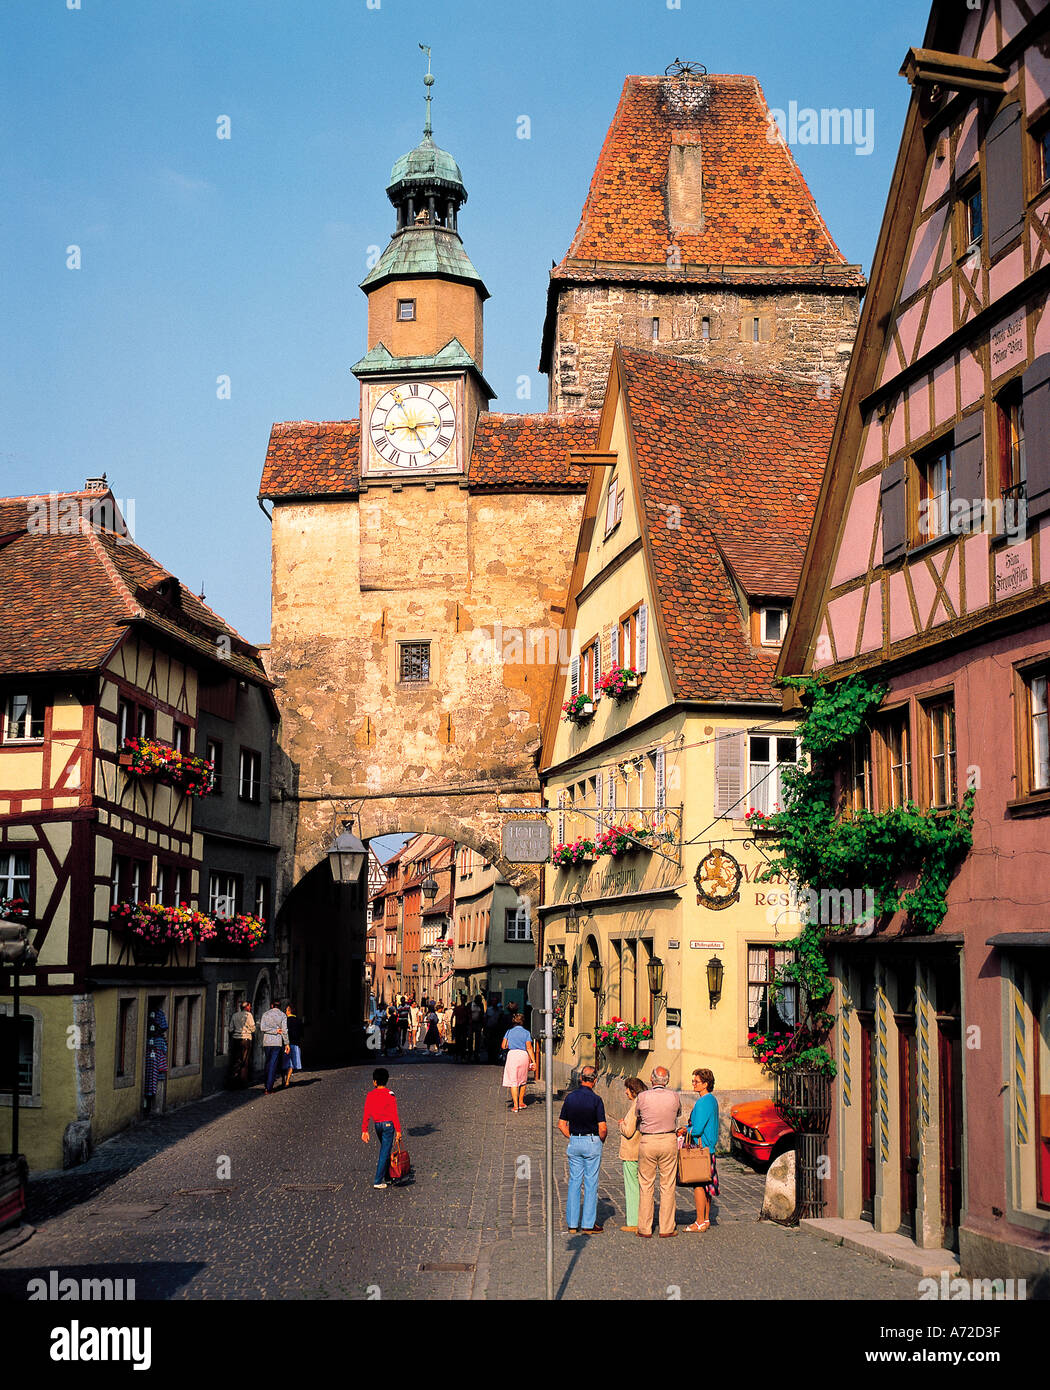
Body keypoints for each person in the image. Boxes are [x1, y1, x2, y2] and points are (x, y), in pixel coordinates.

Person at [557, 1065, 607, 1234]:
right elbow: (602, 1128)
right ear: (595, 1080)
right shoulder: (596, 1100)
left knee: (574, 1182)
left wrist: (571, 1137)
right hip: (592, 1141)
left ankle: (572, 1224)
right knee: (591, 1183)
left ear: (580, 1078)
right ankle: (587, 1224)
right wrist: (601, 1140)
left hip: (575, 1141)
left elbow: (561, 1124)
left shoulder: (570, 1098)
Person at [634, 1065, 682, 1237]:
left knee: (646, 1185)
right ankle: (667, 1228)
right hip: (668, 1139)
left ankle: (645, 1228)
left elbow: (637, 1114)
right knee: (668, 1185)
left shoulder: (642, 1096)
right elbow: (678, 1113)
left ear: (652, 1079)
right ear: (667, 1080)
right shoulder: (674, 1096)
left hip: (648, 1140)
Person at [679, 1067, 720, 1232]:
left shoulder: (703, 1102)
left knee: (698, 1184)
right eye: (693, 1081)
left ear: (705, 1084)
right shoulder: (712, 1100)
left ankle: (699, 1221)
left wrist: (684, 1130)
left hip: (701, 1148)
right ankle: (706, 1219)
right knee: (706, 1184)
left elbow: (696, 1129)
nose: (693, 1084)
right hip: (709, 1148)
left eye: (696, 1081)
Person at [361, 1066, 402, 1189]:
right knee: (385, 1152)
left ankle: (388, 1177)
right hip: (388, 1125)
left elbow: (366, 1113)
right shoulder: (390, 1094)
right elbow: (394, 1113)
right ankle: (378, 1180)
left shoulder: (370, 1095)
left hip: (377, 1125)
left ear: (375, 1081)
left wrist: (365, 1130)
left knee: (386, 1149)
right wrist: (399, 1130)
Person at [617, 1076, 648, 1233]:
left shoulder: (635, 1106)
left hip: (631, 1151)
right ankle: (643, 1218)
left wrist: (622, 1124)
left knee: (632, 1187)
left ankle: (634, 1221)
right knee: (644, 1186)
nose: (625, 1092)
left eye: (627, 1089)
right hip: (642, 1150)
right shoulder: (645, 1103)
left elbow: (629, 1131)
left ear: (633, 1090)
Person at [501, 1011, 535, 1112]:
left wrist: (510, 1045)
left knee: (513, 1081)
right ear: (523, 1022)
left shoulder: (509, 1032)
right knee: (523, 1080)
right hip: (523, 1055)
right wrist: (534, 1061)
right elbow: (529, 1047)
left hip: (512, 1055)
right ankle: (521, 1102)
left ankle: (515, 1106)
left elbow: (503, 1046)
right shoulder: (526, 1033)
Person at [258, 998, 290, 1095]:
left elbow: (262, 1028)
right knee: (273, 1064)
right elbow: (284, 1031)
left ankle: (266, 1084)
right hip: (277, 1042)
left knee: (268, 1063)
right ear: (280, 1006)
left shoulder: (265, 1014)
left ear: (272, 1005)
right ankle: (269, 1087)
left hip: (267, 1042)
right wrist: (287, 1043)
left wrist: (272, 1031)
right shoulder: (283, 1015)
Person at [226, 999, 254, 1088]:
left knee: (236, 1060)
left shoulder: (235, 1015)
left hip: (236, 1039)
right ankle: (242, 1082)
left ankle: (233, 1081)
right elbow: (253, 1029)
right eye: (249, 1006)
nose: (250, 1007)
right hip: (245, 1039)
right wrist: (249, 1030)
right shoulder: (248, 1015)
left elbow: (230, 1029)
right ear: (246, 1007)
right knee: (245, 1061)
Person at [281, 1004, 304, 1087]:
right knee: (291, 1064)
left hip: (286, 1044)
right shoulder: (299, 1020)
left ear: (288, 1011)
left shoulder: (285, 1020)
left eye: (286, 1010)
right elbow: (302, 1033)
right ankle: (287, 1080)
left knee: (284, 1062)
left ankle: (283, 1079)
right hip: (295, 1044)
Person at [484, 997, 501, 1064]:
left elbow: (500, 1020)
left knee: (496, 1045)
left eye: (495, 1001)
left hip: (496, 1029)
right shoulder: (489, 1010)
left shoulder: (499, 1010)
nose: (494, 1002)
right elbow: (486, 1019)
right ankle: (490, 1058)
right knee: (490, 1044)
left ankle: (495, 1058)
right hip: (490, 1028)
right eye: (493, 1001)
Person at [469, 995, 485, 1061]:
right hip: (471, 1024)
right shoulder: (470, 1004)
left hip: (478, 1023)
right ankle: (470, 1053)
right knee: (470, 1039)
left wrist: (482, 1024)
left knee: (478, 1039)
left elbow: (482, 1014)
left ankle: (476, 1053)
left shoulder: (481, 1005)